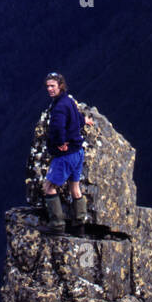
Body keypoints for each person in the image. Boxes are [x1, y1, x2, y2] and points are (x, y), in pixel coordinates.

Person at [41, 72, 94, 234]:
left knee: (48, 187)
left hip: (65, 155)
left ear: (60, 86)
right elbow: (77, 117)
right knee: (75, 188)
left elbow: (58, 127)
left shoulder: (59, 107)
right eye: (48, 86)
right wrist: (85, 121)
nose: (50, 89)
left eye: (53, 86)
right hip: (78, 152)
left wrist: (60, 143)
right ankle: (79, 226)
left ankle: (57, 225)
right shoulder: (69, 101)